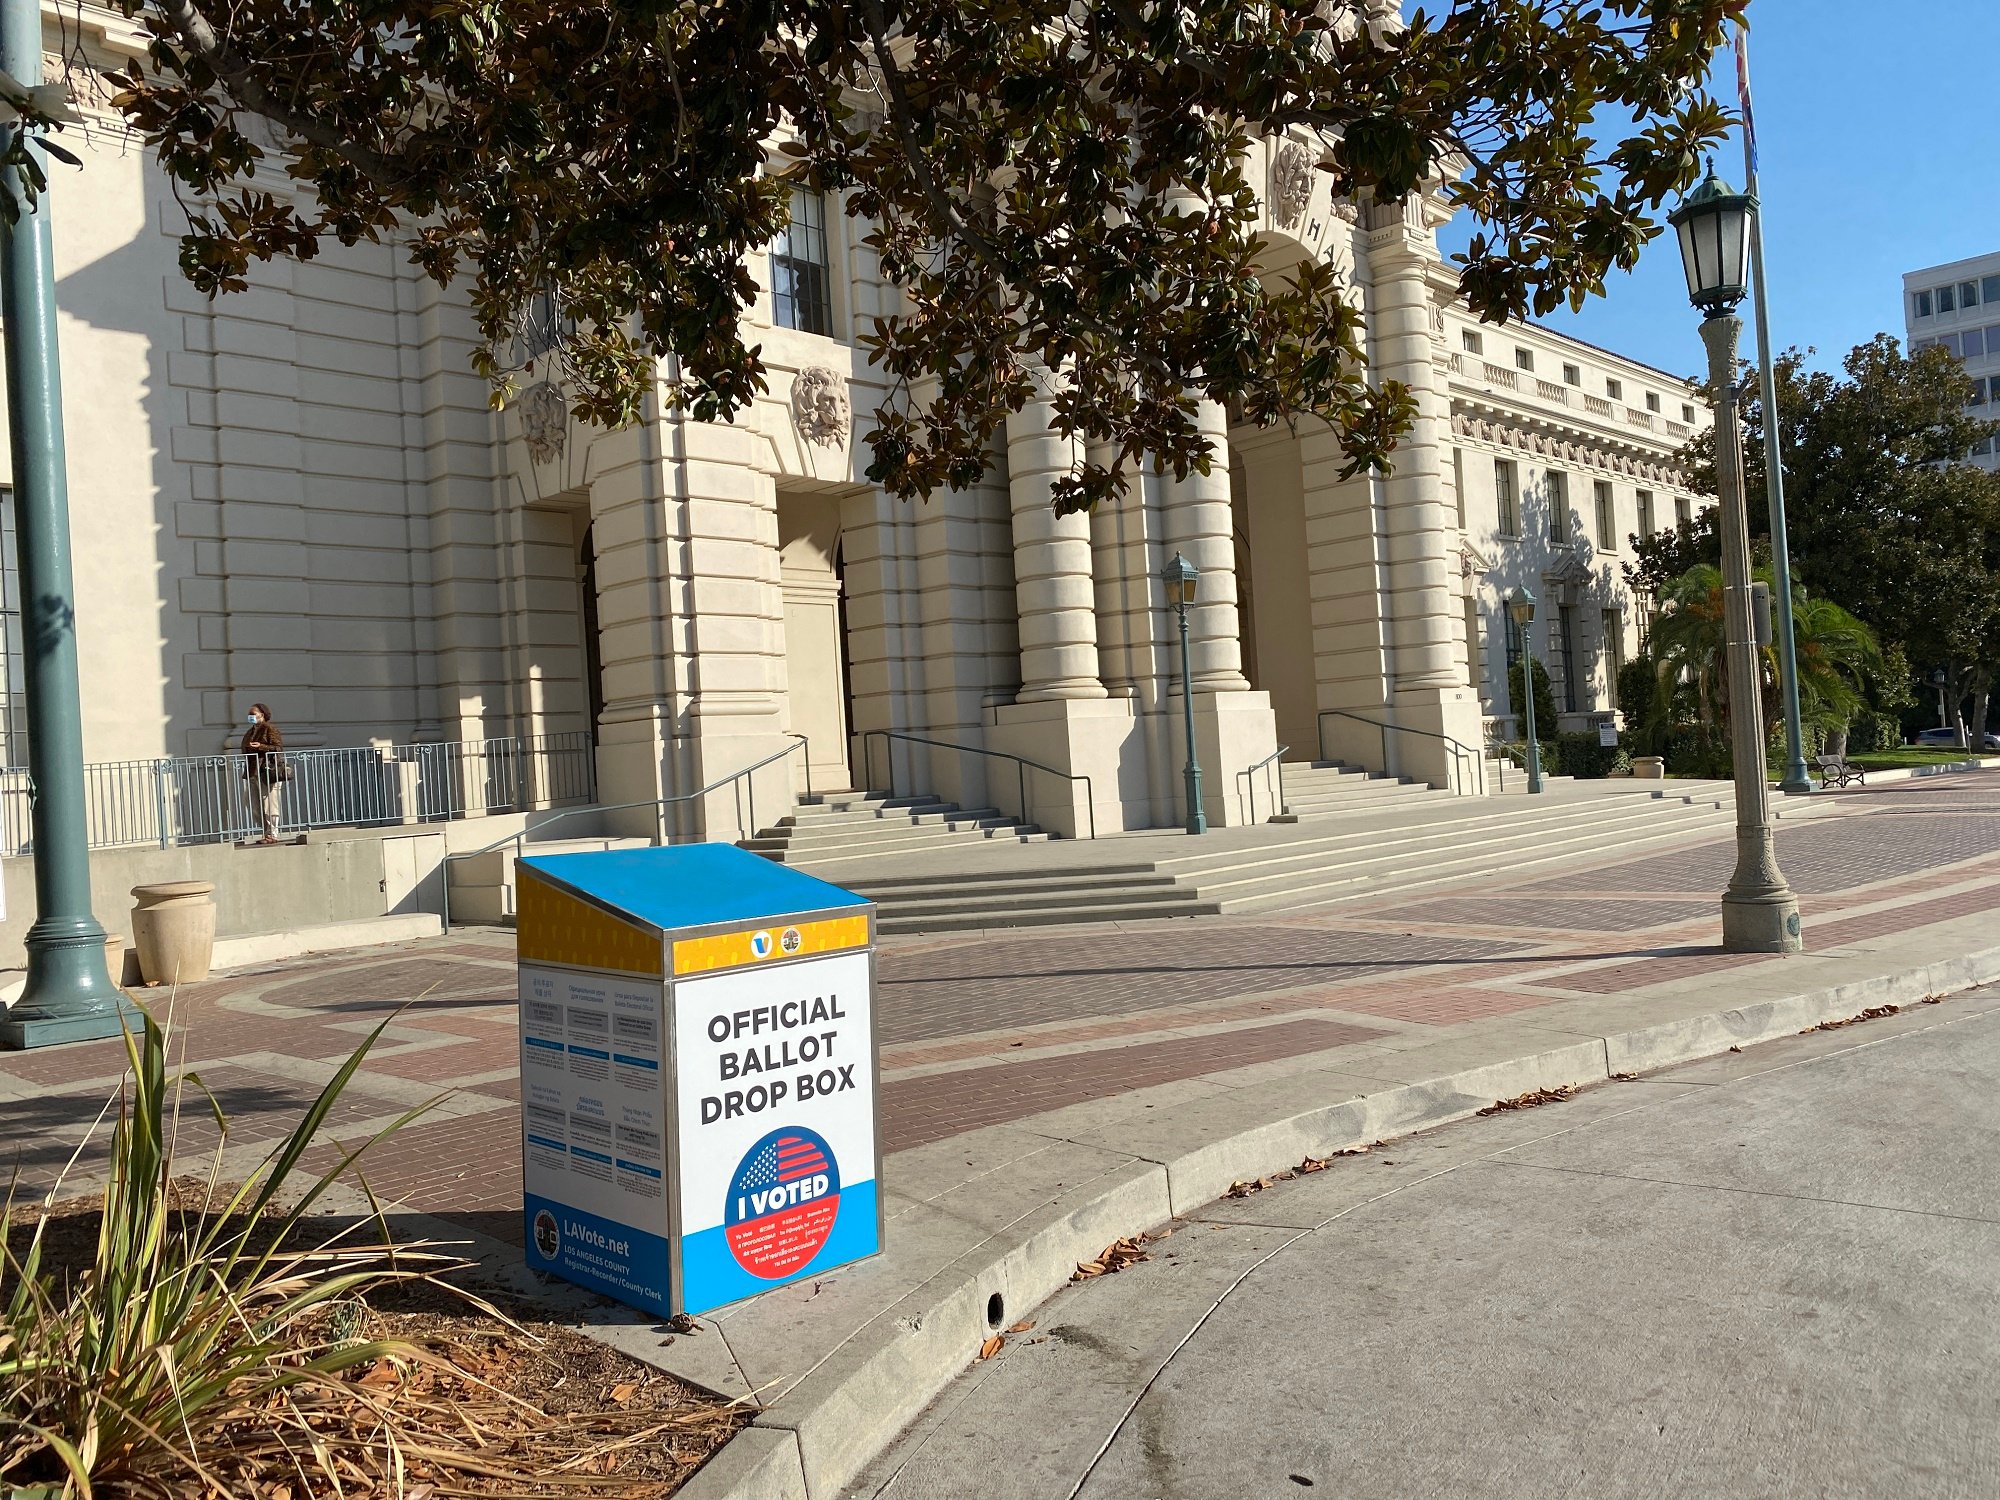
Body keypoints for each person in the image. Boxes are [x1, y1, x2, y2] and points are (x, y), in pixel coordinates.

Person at [242, 703, 287, 844]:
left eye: (253, 714)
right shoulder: (250, 731)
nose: (251, 716)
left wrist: (260, 746)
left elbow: (278, 747)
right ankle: (265, 831)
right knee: (253, 804)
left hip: (267, 770)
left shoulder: (269, 728)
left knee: (269, 804)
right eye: (249, 714)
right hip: (252, 771)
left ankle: (272, 833)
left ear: (262, 714)